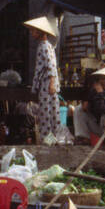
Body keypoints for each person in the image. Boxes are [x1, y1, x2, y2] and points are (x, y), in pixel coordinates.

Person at [26, 16, 71, 144]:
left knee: (46, 116)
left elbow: (51, 65)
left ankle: (48, 141)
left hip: (47, 84)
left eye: (34, 30)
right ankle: (54, 140)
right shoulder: (46, 45)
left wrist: (51, 83)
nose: (32, 33)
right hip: (48, 83)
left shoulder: (44, 46)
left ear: (40, 32)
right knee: (52, 114)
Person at [75, 65, 105, 145]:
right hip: (101, 126)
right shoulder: (95, 91)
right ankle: (83, 137)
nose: (104, 82)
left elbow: (104, 109)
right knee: (78, 109)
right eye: (102, 79)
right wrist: (87, 101)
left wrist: (100, 93)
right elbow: (92, 108)